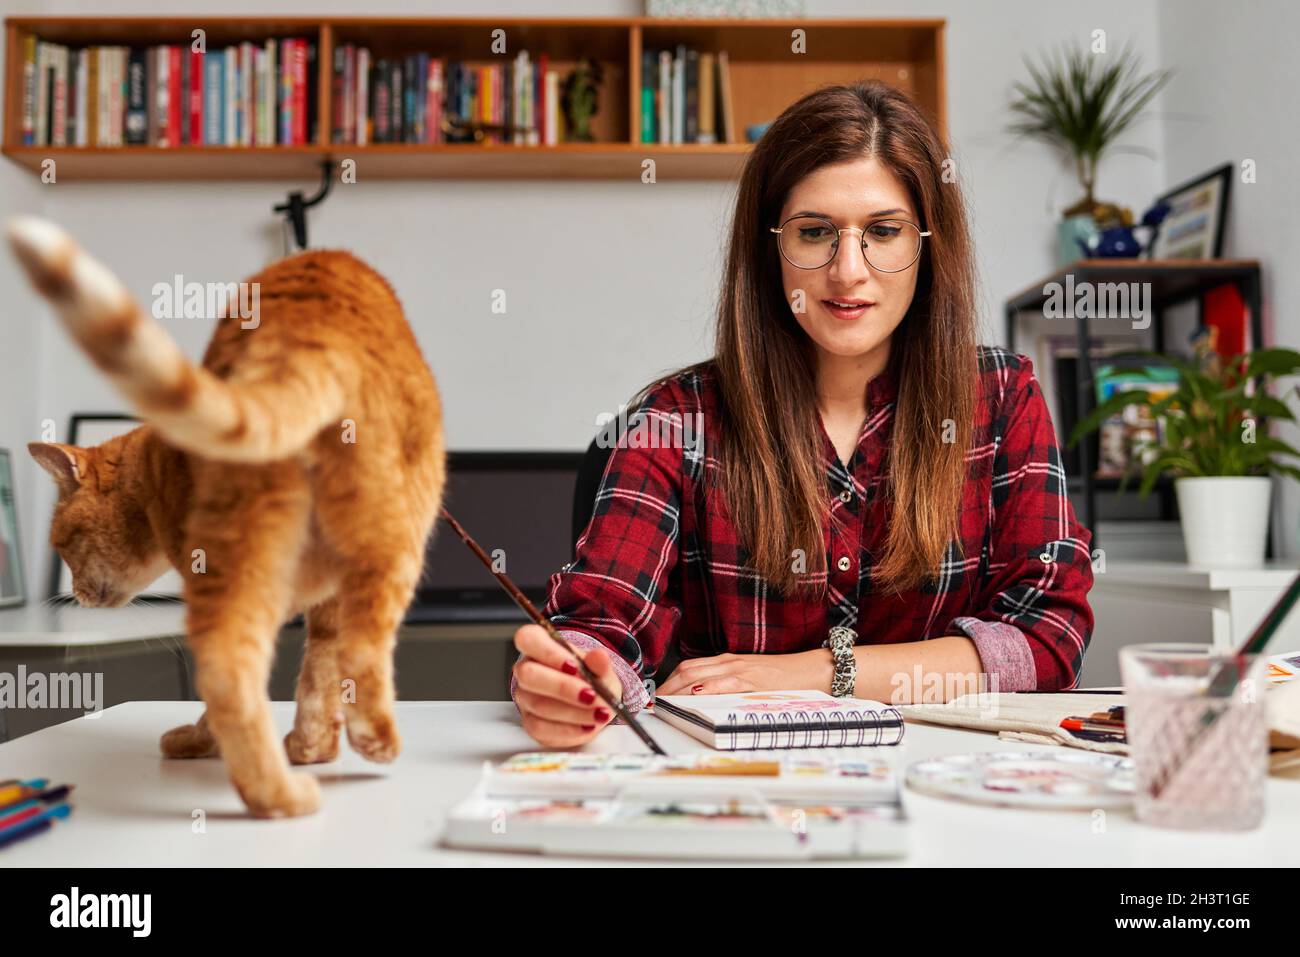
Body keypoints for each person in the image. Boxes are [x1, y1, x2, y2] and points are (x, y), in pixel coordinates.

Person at [511, 80, 1094, 748]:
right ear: (769, 249)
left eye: (883, 231)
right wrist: (577, 681)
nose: (848, 271)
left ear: (928, 246)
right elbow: (602, 626)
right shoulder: (671, 420)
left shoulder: (1005, 397)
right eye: (814, 232)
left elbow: (1047, 641)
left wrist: (819, 672)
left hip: (947, 798)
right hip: (736, 791)